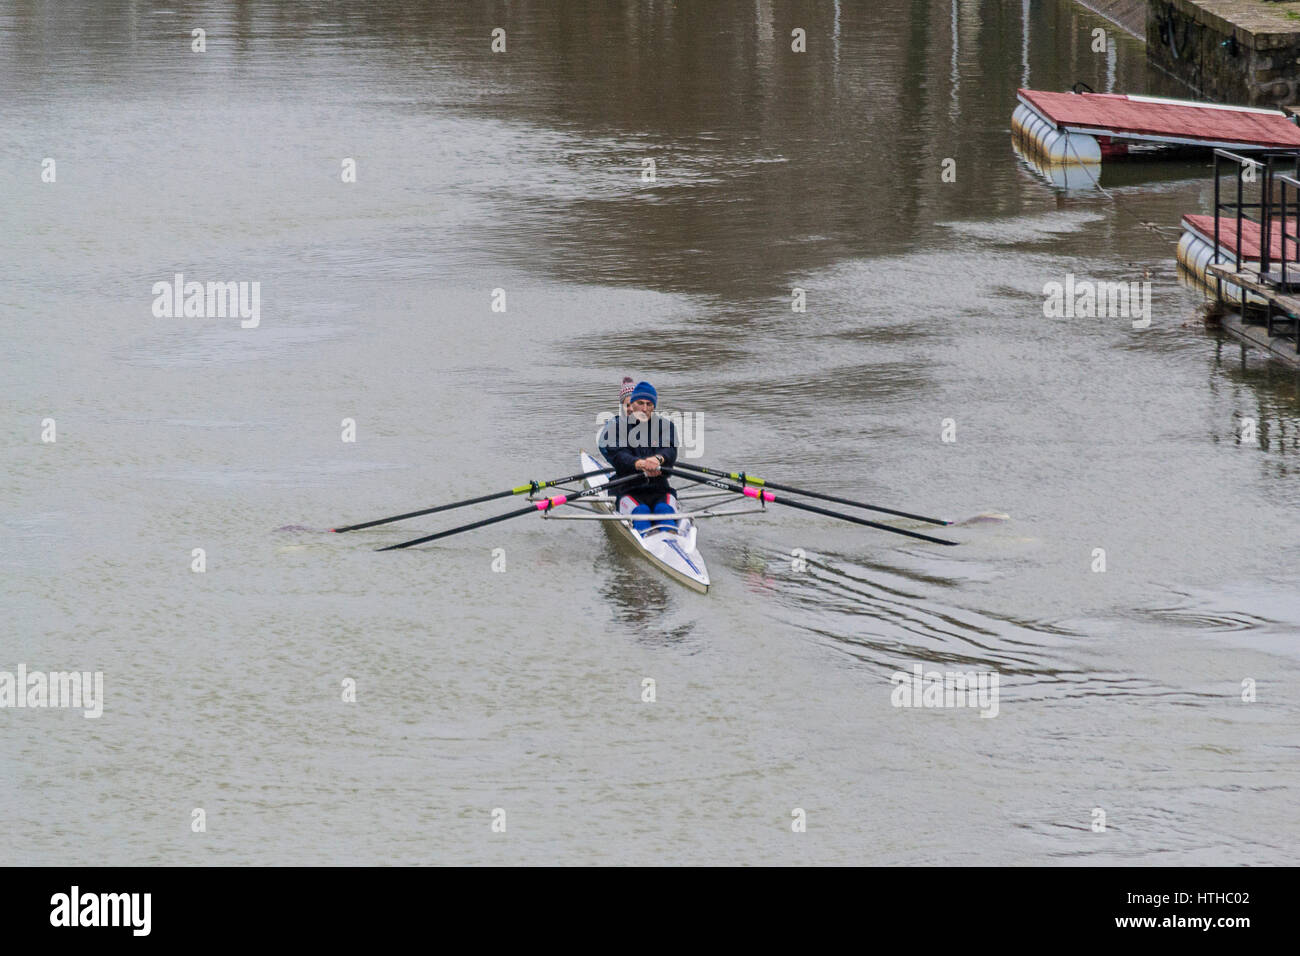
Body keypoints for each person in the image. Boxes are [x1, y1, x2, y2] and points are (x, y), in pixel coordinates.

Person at [598, 381, 680, 534]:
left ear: (654, 406)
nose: (644, 408)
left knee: (664, 510)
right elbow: (618, 455)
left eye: (649, 404)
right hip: (627, 489)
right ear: (632, 404)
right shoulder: (616, 428)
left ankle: (671, 537)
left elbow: (670, 450)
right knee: (641, 512)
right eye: (640, 403)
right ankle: (647, 536)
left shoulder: (666, 426)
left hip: (660, 488)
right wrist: (640, 463)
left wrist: (658, 459)